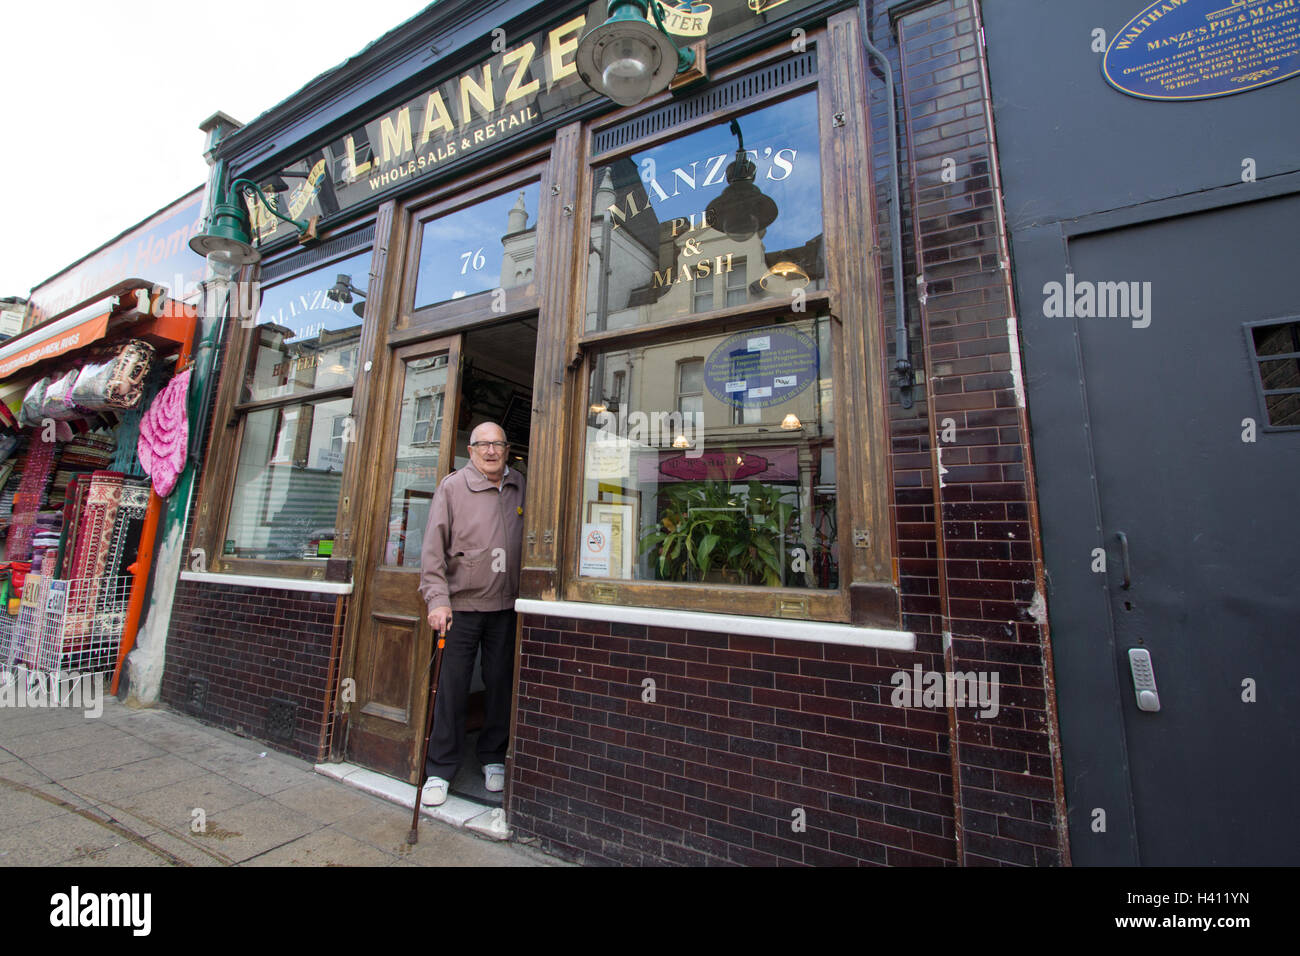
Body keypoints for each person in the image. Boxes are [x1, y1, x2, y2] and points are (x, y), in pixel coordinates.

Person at [417, 421, 525, 806]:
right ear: (471, 450)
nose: (491, 451)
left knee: (499, 683)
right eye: (483, 445)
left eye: (498, 444)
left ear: (507, 448)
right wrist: (437, 598)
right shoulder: (453, 486)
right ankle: (440, 768)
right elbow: (433, 547)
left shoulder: (520, 484)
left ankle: (493, 755)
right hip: (461, 604)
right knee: (452, 687)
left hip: (506, 605)